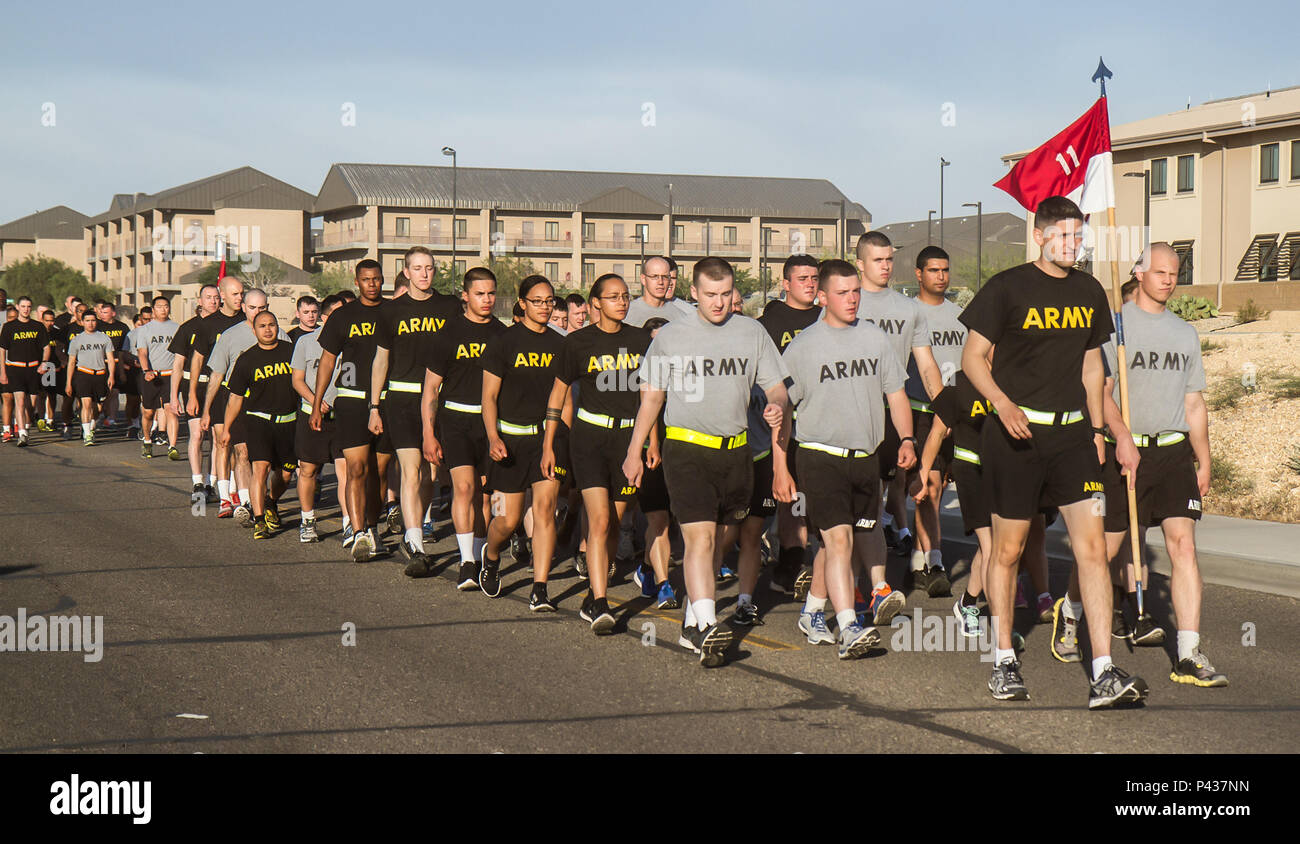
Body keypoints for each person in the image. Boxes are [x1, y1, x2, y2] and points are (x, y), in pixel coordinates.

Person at [959, 195, 1147, 708]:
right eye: (1064, 236)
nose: (1073, 244)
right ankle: (1002, 660)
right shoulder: (1007, 287)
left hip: (1072, 440)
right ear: (1040, 235)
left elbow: (1093, 370)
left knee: (1092, 552)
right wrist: (1001, 405)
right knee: (1009, 551)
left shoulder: (1089, 290)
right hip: (1015, 437)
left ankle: (1104, 672)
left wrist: (1103, 429)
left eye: (1079, 236)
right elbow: (973, 358)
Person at [624, 257, 789, 667]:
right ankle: (709, 625)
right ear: (693, 292)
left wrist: (775, 407)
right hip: (687, 449)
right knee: (698, 539)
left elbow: (777, 387)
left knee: (720, 541)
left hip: (737, 451)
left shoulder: (752, 332)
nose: (719, 303)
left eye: (726, 294)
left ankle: (693, 622)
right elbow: (652, 398)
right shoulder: (671, 336)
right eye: (710, 295)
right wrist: (634, 449)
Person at [773, 259, 915, 658]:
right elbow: (782, 411)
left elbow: (897, 395)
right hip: (820, 456)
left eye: (856, 292)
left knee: (844, 542)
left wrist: (907, 438)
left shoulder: (874, 338)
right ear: (822, 296)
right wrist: (780, 465)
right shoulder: (802, 348)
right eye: (842, 292)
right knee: (839, 539)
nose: (852, 299)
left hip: (866, 458)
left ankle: (813, 610)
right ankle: (850, 626)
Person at [1098, 243, 1224, 687]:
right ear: (1139, 273)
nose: (1168, 279)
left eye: (1175, 272)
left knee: (1183, 547)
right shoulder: (1114, 326)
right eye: (1160, 271)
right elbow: (1101, 391)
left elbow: (1194, 402)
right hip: (1128, 451)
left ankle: (1188, 653)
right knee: (1108, 550)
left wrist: (1203, 459)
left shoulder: (1184, 333)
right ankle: (1073, 610)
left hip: (1173, 453)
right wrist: (1119, 436)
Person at [544, 273, 650, 632]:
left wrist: (654, 444)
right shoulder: (577, 342)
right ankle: (600, 602)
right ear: (595, 304)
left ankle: (593, 591)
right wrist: (549, 443)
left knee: (614, 525)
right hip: (589, 439)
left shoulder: (640, 341)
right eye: (613, 297)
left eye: (626, 296)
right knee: (601, 521)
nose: (622, 302)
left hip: (628, 442)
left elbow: (651, 398)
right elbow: (558, 394)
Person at [854, 231, 943, 620]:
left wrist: (946, 406)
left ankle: (869, 589)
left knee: (877, 501)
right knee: (861, 504)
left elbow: (924, 364)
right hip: (852, 415)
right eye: (877, 260)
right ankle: (858, 588)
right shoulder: (847, 301)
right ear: (860, 264)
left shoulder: (910, 310)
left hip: (893, 416)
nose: (886, 266)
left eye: (889, 259)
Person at [477, 275, 571, 609]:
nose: (545, 307)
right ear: (522, 303)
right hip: (509, 443)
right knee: (508, 520)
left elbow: (564, 399)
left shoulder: (561, 345)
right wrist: (492, 437)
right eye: (538, 301)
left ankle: (540, 588)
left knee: (545, 511)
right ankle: (490, 556)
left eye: (550, 301)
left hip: (546, 440)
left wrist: (561, 439)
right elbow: (488, 397)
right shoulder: (504, 342)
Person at [369, 247, 461, 572]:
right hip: (402, 399)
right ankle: (416, 545)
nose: (424, 274)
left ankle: (418, 525)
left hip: (439, 399)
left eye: (430, 268)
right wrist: (374, 405)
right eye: (418, 268)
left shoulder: (450, 307)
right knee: (411, 470)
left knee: (429, 473)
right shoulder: (391, 311)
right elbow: (381, 360)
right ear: (406, 272)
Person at [421, 267, 506, 589]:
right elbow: (430, 389)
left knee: (488, 497)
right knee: (464, 489)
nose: (487, 300)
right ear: (465, 296)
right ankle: (466, 561)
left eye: (491, 293)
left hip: (491, 424)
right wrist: (429, 434)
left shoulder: (502, 334)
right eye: (480, 294)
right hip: (455, 419)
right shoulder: (448, 333)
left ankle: (484, 556)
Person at [312, 260, 387, 561]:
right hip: (352, 400)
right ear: (357, 282)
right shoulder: (343, 316)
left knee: (380, 475)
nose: (372, 284)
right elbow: (328, 362)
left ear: (383, 281)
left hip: (386, 400)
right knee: (356, 469)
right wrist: (317, 404)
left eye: (377, 279)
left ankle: (372, 527)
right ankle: (358, 534)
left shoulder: (392, 312)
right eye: (366, 279)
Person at [760, 254, 824, 598]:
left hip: (822, 423)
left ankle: (813, 562)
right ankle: (790, 564)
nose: (810, 284)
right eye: (802, 278)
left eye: (815, 278)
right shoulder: (770, 323)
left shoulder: (826, 318)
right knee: (792, 501)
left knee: (814, 502)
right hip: (784, 425)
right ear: (786, 283)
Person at [905, 246, 966, 597]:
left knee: (937, 488)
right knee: (925, 485)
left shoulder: (961, 315)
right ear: (919, 274)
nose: (941, 277)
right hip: (919, 412)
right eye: (933, 270)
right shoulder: (909, 314)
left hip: (954, 412)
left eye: (945, 270)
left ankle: (919, 555)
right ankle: (934, 558)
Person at [204, 288, 286, 528]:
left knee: (272, 463)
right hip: (239, 401)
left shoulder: (280, 335)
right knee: (243, 453)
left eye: (262, 307)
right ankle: (250, 504)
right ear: (243, 307)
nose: (258, 313)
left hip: (274, 405)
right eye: (252, 308)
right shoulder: (229, 336)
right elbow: (217, 375)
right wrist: (207, 409)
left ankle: (268, 500)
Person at [223, 311, 298, 540]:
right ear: (254, 331)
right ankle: (259, 521)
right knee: (261, 468)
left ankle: (270, 502)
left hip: (289, 421)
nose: (268, 329)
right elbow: (235, 398)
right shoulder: (246, 360)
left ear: (278, 327)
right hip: (258, 421)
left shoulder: (291, 351)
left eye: (272, 325)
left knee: (286, 474)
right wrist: (226, 428)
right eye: (262, 326)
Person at [188, 278, 246, 516]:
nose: (239, 298)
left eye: (242, 294)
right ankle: (225, 497)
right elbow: (197, 360)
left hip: (245, 392)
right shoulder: (207, 324)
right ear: (222, 295)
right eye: (235, 294)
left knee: (242, 447)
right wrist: (192, 394)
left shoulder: (248, 321)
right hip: (219, 391)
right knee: (223, 441)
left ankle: (236, 490)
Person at [292, 293, 347, 543]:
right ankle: (308, 520)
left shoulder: (352, 341)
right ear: (324, 318)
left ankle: (350, 523)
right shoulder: (305, 342)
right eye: (336, 313)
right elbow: (297, 379)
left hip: (342, 417)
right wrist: (316, 402)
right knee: (308, 470)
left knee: (346, 471)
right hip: (312, 415)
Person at [168, 284, 222, 499]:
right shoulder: (188, 328)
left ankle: (213, 482)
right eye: (208, 297)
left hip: (217, 385)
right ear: (199, 301)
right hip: (193, 385)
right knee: (198, 434)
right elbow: (178, 364)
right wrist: (174, 397)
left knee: (217, 438)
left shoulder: (226, 326)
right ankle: (198, 482)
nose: (213, 301)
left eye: (217, 297)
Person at [0, 296, 53, 447]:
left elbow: (46, 347)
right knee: (20, 401)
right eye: (23, 306)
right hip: (15, 368)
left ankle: (26, 426)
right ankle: (22, 433)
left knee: (31, 404)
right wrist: (2, 371)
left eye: (29, 306)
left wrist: (44, 363)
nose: (26, 309)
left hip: (33, 369)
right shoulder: (9, 327)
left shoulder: (38, 326)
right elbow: (2, 350)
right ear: (17, 307)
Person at [134, 296, 180, 459]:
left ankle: (172, 446)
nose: (163, 309)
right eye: (159, 306)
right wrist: (147, 370)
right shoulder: (144, 330)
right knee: (148, 412)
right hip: (151, 376)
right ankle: (147, 441)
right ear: (153, 310)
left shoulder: (177, 328)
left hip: (171, 376)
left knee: (171, 410)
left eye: (166, 306)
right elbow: (142, 352)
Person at [65, 309, 114, 445]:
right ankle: (87, 434)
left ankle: (91, 426)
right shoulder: (77, 339)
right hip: (83, 374)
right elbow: (71, 362)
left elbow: (110, 359)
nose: (91, 323)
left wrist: (111, 376)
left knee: (98, 408)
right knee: (86, 404)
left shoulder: (104, 338)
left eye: (93, 320)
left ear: (96, 321)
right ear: (82, 322)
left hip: (100, 375)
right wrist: (68, 382)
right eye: (87, 321)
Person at [624, 256, 694, 328]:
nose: (660, 282)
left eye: (665, 277)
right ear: (643, 279)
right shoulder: (626, 313)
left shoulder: (681, 317)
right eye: (654, 276)